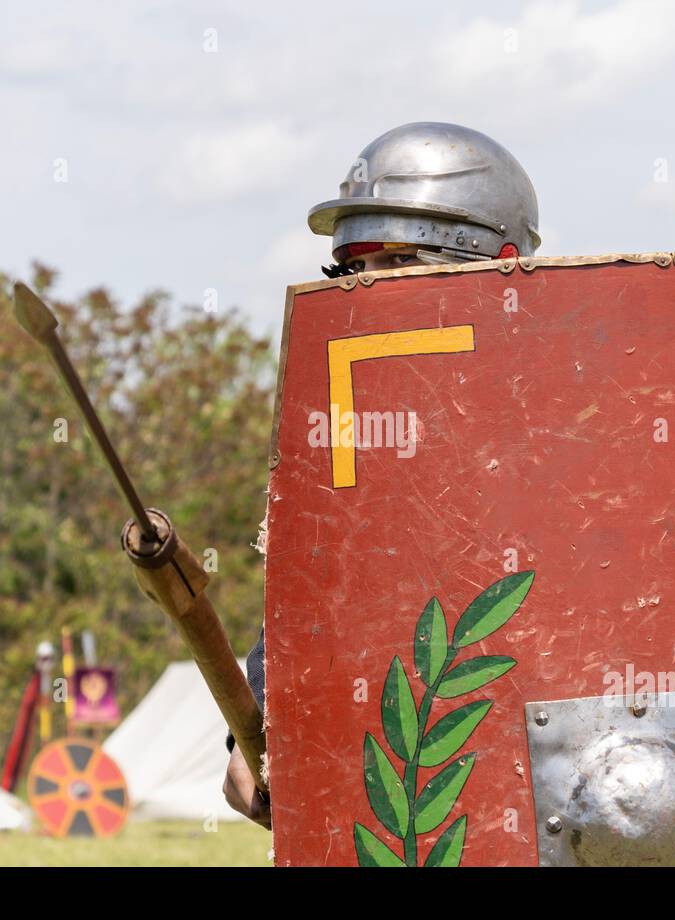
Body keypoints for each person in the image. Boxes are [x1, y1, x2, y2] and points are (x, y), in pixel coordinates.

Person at [221, 121, 542, 828]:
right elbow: (321, 596)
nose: (365, 289)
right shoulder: (355, 418)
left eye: (396, 261)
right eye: (353, 268)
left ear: (498, 260)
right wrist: (261, 730)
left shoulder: (578, 401)